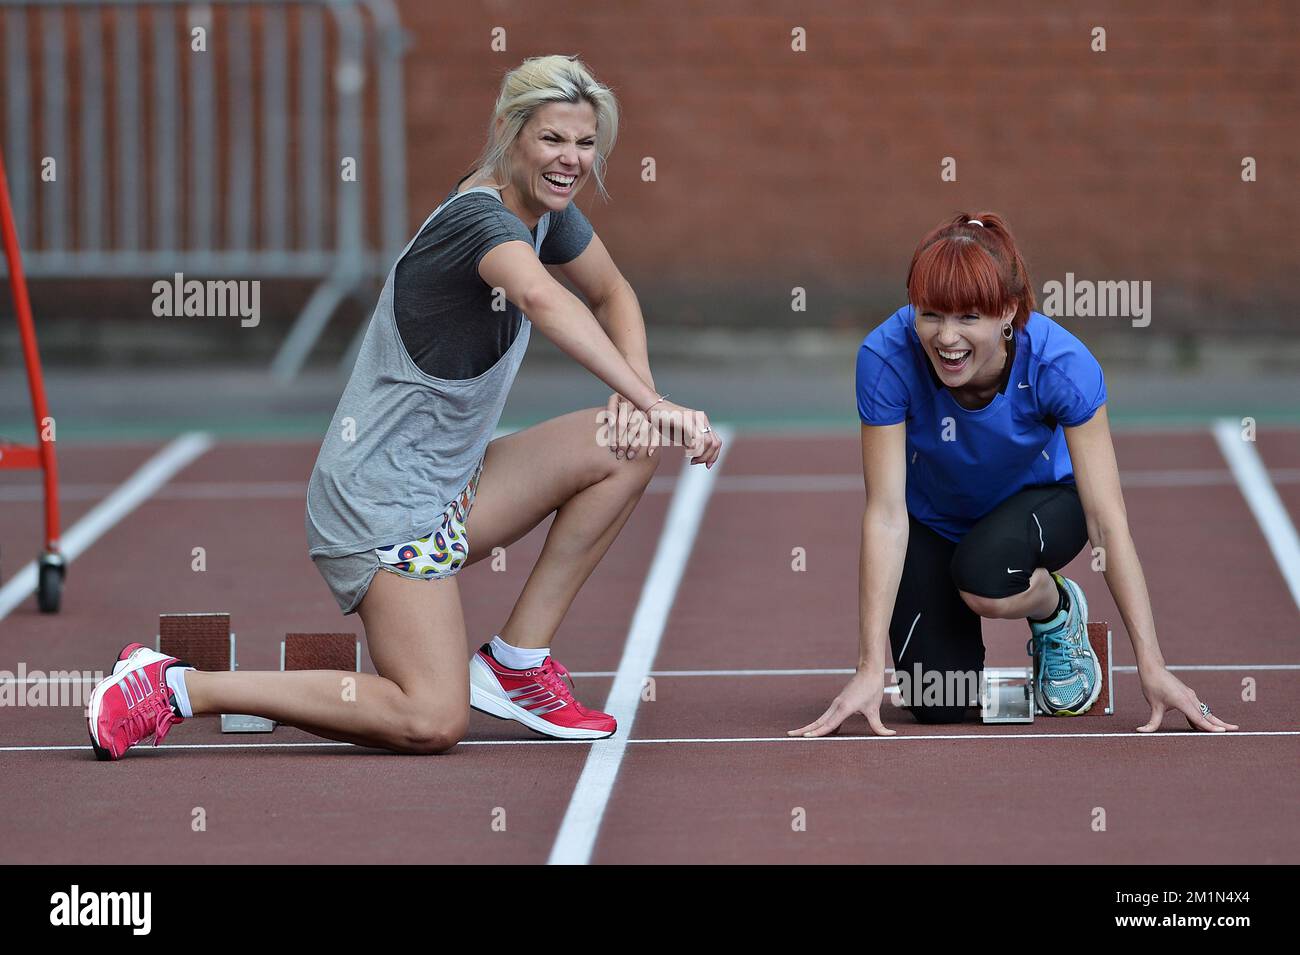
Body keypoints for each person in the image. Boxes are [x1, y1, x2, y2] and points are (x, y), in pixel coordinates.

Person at [89, 54, 721, 760]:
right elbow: (542, 298)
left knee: (624, 445)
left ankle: (516, 665)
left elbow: (613, 292)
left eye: (584, 142)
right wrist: (655, 402)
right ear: (508, 133)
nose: (570, 158)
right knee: (431, 719)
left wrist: (635, 397)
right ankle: (177, 686)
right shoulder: (478, 222)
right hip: (376, 504)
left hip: (449, 487)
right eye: (551, 138)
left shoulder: (547, 214)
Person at [790, 212, 1238, 737]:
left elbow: (1105, 520)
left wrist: (1152, 664)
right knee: (939, 701)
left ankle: (1056, 609)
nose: (946, 337)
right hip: (937, 518)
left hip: (1046, 502)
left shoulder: (1061, 364)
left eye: (968, 317)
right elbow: (887, 514)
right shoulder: (885, 358)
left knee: (985, 576)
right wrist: (870, 668)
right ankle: (974, 654)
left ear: (1007, 311)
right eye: (930, 314)